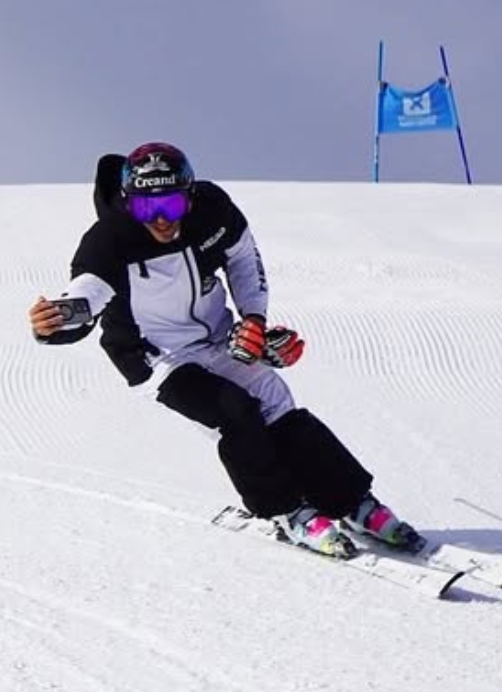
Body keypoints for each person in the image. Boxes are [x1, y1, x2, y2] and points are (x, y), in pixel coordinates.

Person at [28, 142, 422, 558]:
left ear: (192, 196)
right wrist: (56, 320)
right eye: (147, 209)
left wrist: (253, 321)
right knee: (236, 412)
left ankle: (352, 501)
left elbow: (244, 264)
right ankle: (286, 511)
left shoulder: (214, 209)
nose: (161, 219)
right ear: (129, 203)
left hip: (218, 337)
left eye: (174, 205)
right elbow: (86, 295)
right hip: (158, 358)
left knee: (277, 404)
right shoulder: (108, 239)